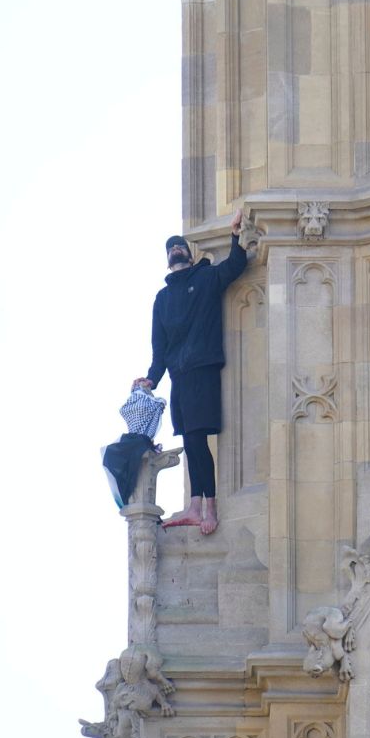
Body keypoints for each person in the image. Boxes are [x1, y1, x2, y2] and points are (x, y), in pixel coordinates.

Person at [133, 210, 247, 534]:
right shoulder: (162, 299)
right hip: (180, 377)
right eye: (170, 249)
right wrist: (151, 379)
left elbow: (236, 266)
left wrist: (235, 235)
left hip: (202, 369)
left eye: (179, 246)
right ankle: (195, 505)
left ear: (189, 253)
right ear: (167, 260)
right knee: (191, 441)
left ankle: (208, 508)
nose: (175, 250)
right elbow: (160, 351)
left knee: (198, 439)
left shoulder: (206, 278)